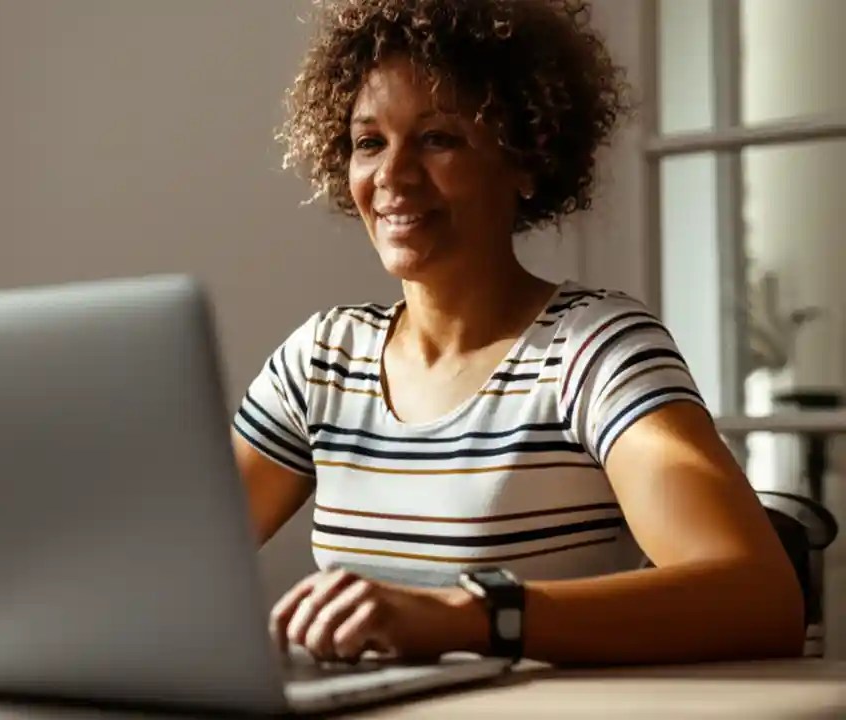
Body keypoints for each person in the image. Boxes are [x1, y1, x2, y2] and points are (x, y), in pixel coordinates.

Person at [231, 0, 804, 666]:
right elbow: (171, 562)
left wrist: (468, 617)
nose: (393, 176)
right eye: (369, 142)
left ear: (527, 160)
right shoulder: (322, 362)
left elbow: (760, 598)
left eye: (438, 138)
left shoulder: (594, 350)